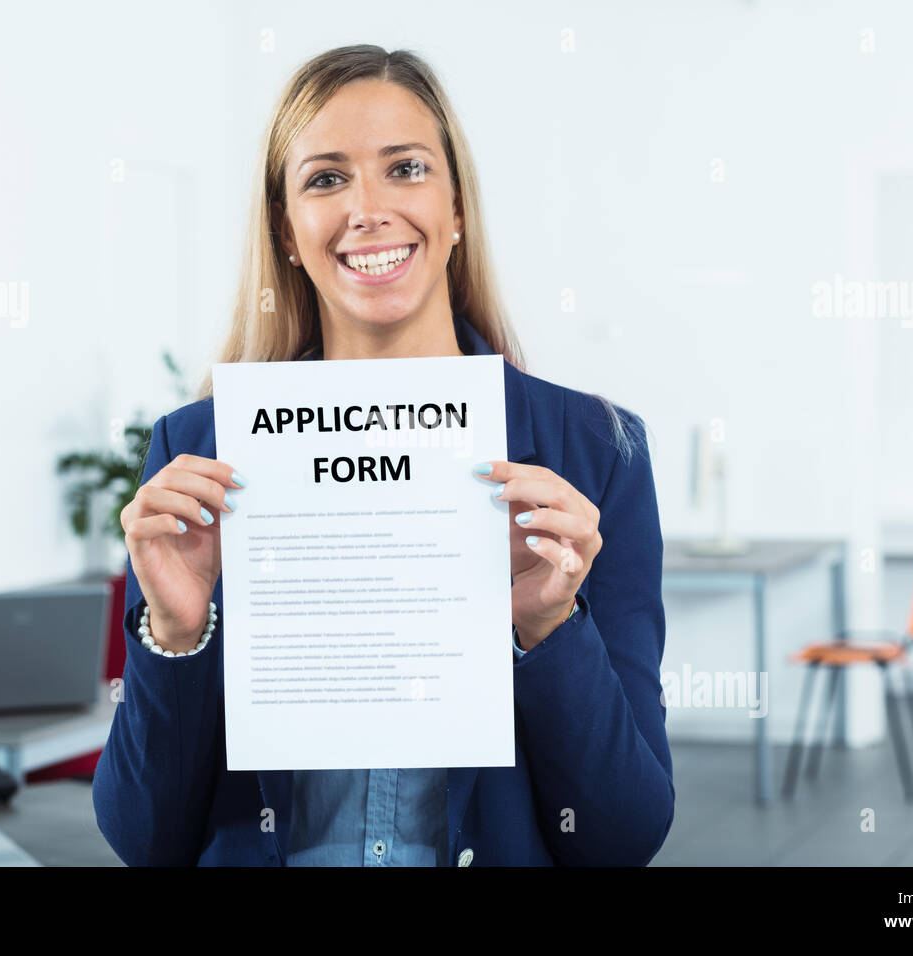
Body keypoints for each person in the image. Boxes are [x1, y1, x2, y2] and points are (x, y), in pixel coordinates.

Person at [92, 44, 673, 866]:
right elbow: (146, 842)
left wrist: (549, 627)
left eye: (405, 168)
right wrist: (178, 635)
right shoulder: (196, 453)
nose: (368, 208)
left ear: (458, 206)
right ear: (287, 232)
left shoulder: (594, 453)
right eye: (326, 179)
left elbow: (623, 838)